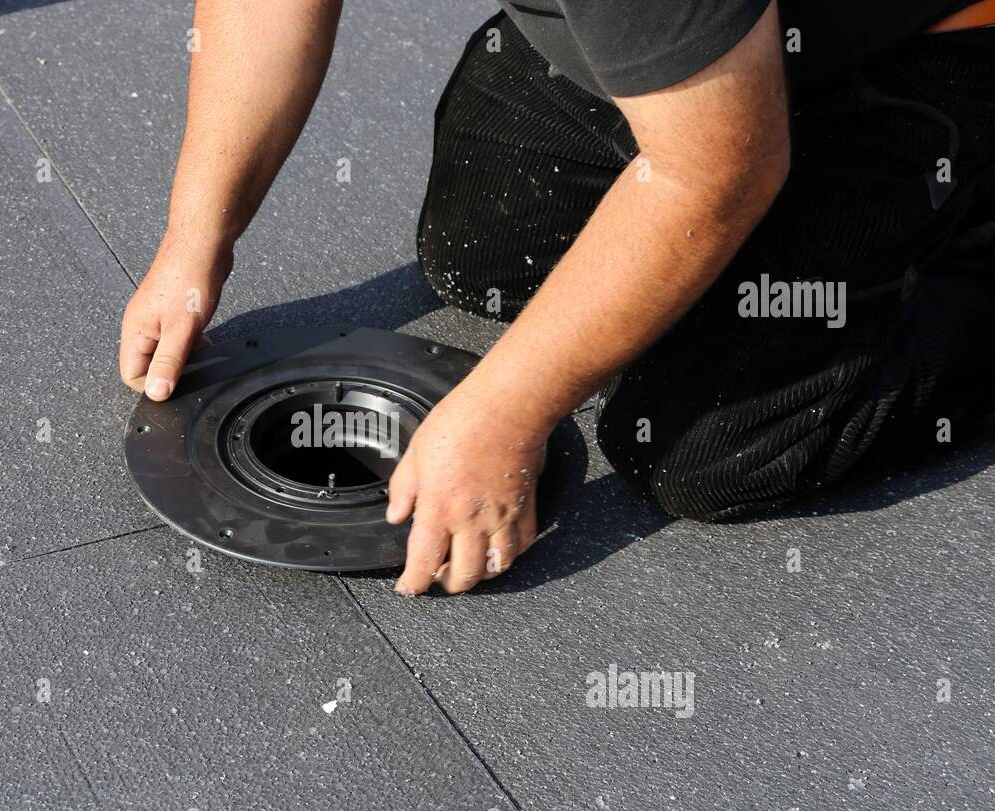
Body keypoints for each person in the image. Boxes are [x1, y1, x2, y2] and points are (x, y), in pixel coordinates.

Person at [119, 0, 995, 595]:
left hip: (923, 43)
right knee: (485, 250)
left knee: (717, 447)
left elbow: (719, 168)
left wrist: (506, 410)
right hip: (707, 40)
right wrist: (199, 236)